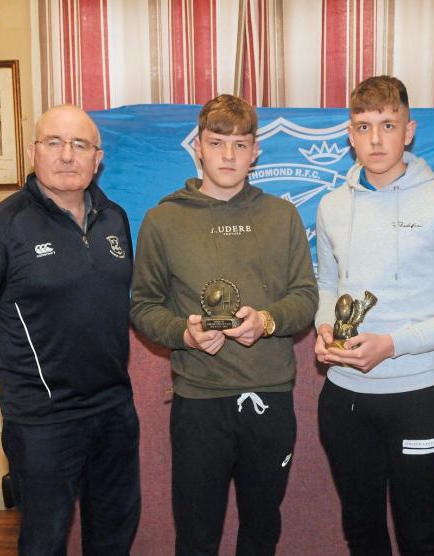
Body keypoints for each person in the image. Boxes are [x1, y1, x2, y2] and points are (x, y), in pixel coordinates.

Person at [0, 104, 141, 555]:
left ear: (98, 157)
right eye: (54, 142)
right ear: (34, 151)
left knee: (114, 536)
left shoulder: (116, 219)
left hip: (113, 411)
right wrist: (14, 373)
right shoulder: (0, 228)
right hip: (43, 423)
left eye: (79, 145)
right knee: (44, 542)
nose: (67, 155)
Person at [130, 94, 318, 555]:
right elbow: (143, 305)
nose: (228, 156)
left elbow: (306, 298)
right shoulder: (163, 219)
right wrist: (183, 334)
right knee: (196, 533)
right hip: (199, 402)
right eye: (217, 143)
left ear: (256, 151)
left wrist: (269, 321)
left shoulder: (282, 215)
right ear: (198, 146)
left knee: (261, 529)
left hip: (269, 397)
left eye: (240, 144)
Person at [314, 75, 434, 555]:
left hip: (415, 397)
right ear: (349, 134)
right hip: (345, 400)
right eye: (363, 126)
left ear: (408, 131)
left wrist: (393, 344)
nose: (375, 140)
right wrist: (324, 326)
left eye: (387, 125)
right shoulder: (331, 207)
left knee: (418, 533)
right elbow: (328, 287)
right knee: (362, 531)